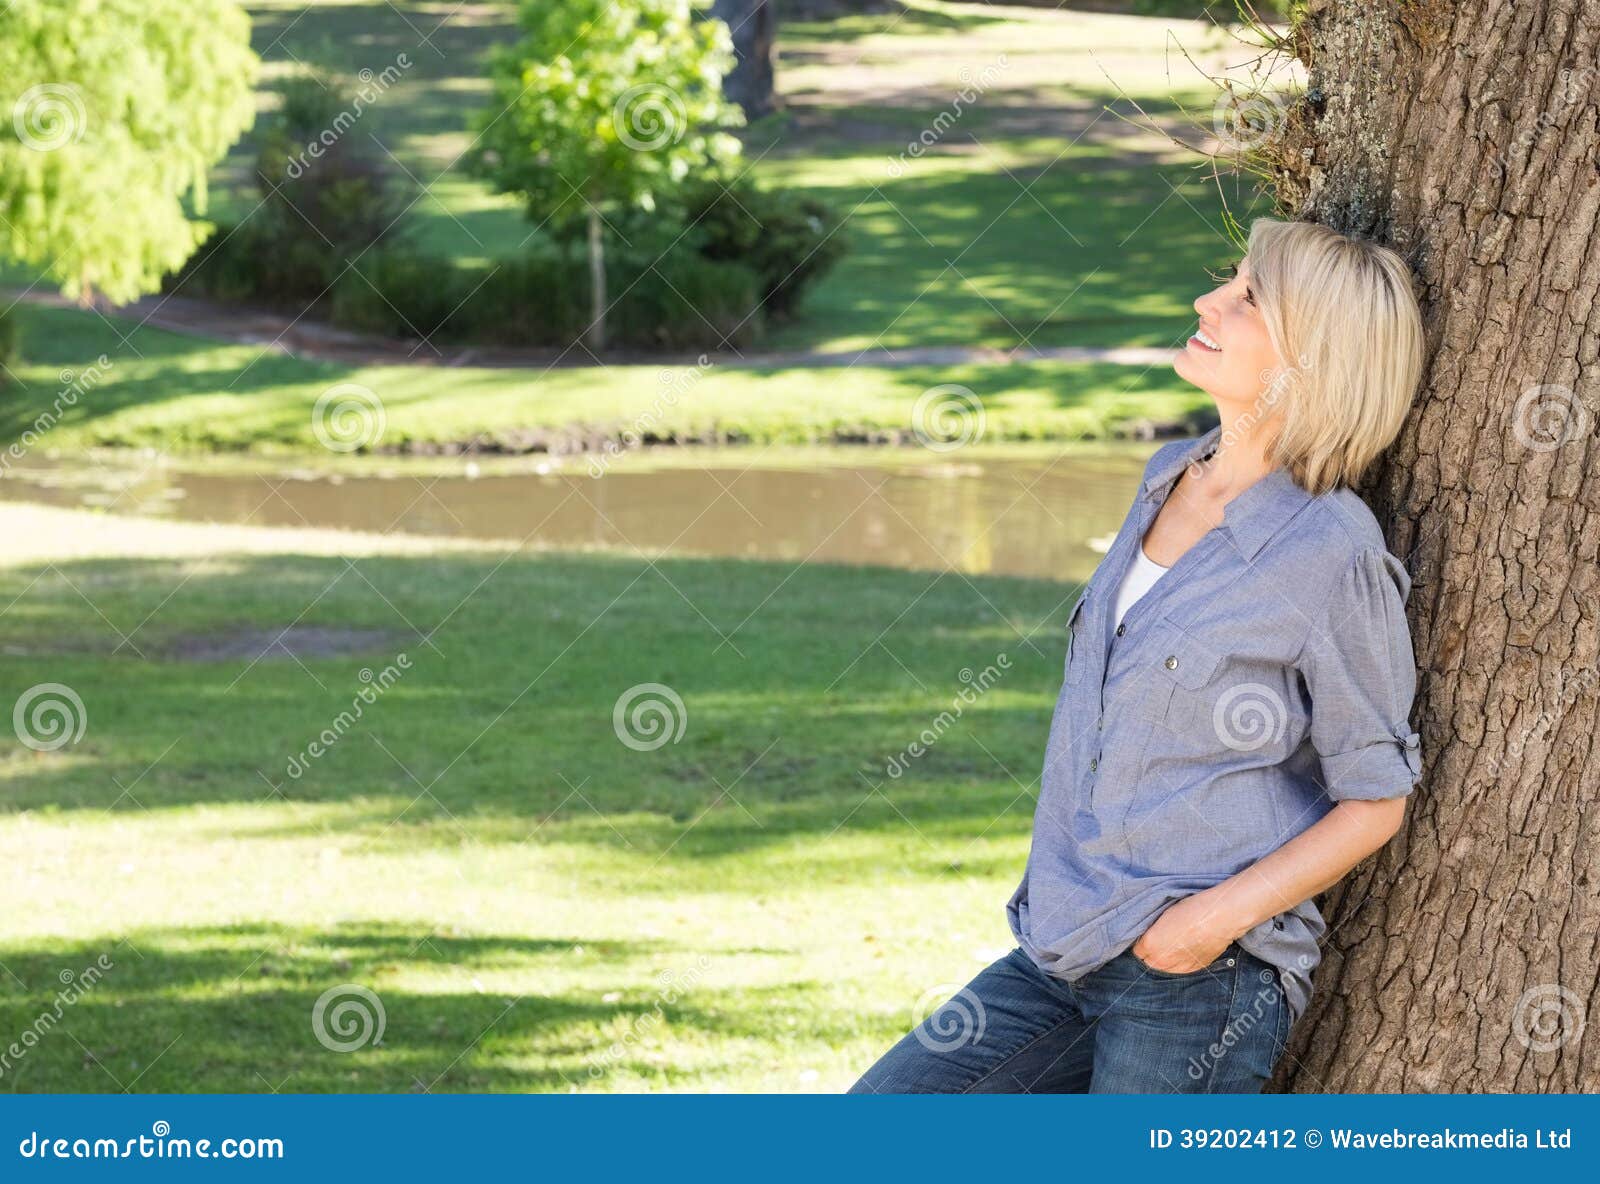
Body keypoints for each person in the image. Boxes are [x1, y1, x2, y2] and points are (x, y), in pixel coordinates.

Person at [850, 218, 1426, 1093]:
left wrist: (1205, 925)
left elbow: (1375, 798)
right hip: (1064, 949)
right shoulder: (1166, 477)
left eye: (1247, 298)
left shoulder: (1330, 549)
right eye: (1227, 281)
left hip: (1197, 982)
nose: (1208, 301)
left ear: (1314, 356)